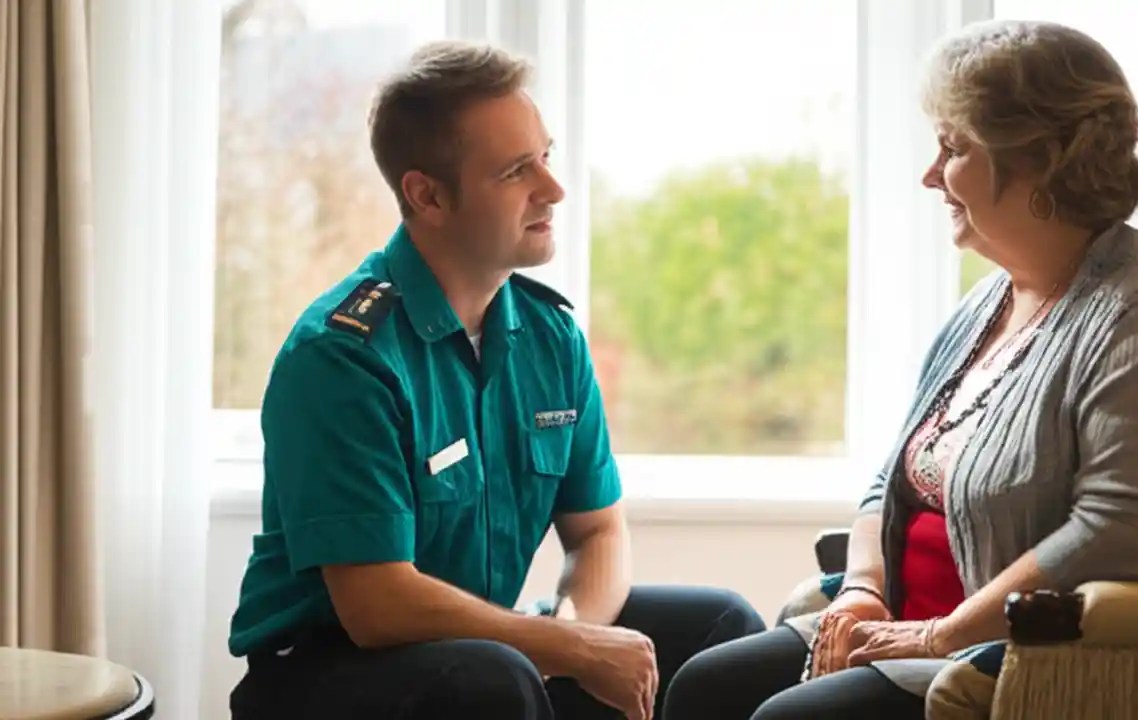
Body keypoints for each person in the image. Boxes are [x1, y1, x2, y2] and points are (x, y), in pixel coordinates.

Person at [662, 19, 1138, 720]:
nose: (930, 174)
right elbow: (895, 475)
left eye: (953, 148)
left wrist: (939, 634)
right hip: (914, 625)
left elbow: (1122, 537)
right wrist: (860, 591)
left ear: (1040, 163)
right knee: (705, 686)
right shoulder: (990, 299)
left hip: (1030, 660)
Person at [226, 40, 765, 720]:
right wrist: (562, 650)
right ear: (427, 196)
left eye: (547, 156)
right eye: (516, 171)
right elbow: (375, 604)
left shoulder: (550, 335)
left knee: (720, 627)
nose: (554, 188)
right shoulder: (342, 357)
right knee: (494, 679)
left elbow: (598, 532)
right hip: (325, 671)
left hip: (489, 648)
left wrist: (571, 635)